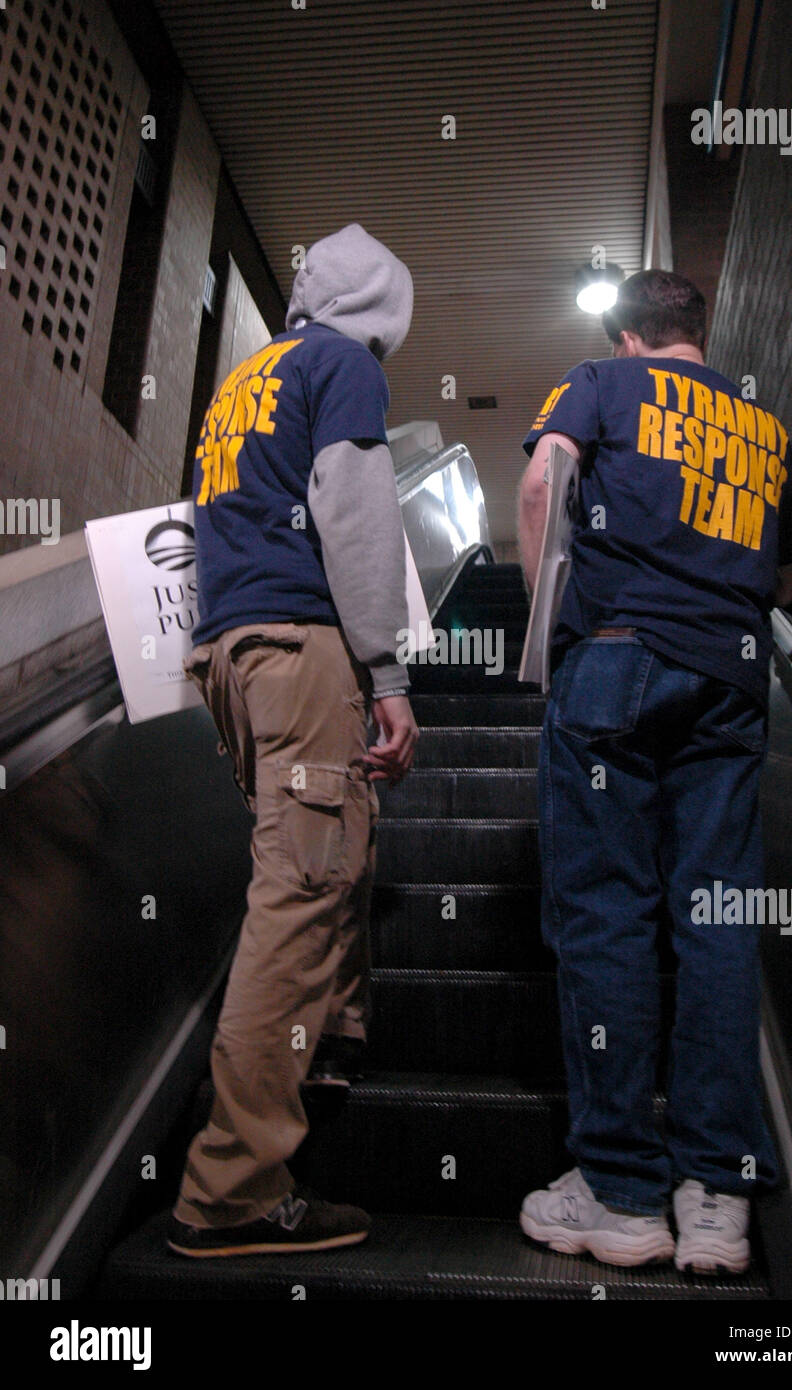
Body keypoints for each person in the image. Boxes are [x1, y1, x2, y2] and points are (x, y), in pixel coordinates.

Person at [516, 269, 792, 1274]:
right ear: (701, 331)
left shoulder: (603, 380)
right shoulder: (759, 421)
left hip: (615, 654)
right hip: (729, 681)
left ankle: (617, 1189)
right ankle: (717, 1199)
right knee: (720, 921)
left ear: (628, 332)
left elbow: (539, 482)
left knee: (608, 910)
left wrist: (547, 638)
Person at [167, 224, 419, 1257]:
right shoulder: (343, 369)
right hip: (301, 645)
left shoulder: (245, 382)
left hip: (230, 650)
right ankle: (230, 1184)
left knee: (317, 859)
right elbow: (356, 519)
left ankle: (324, 1046)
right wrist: (389, 673)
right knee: (300, 893)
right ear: (379, 310)